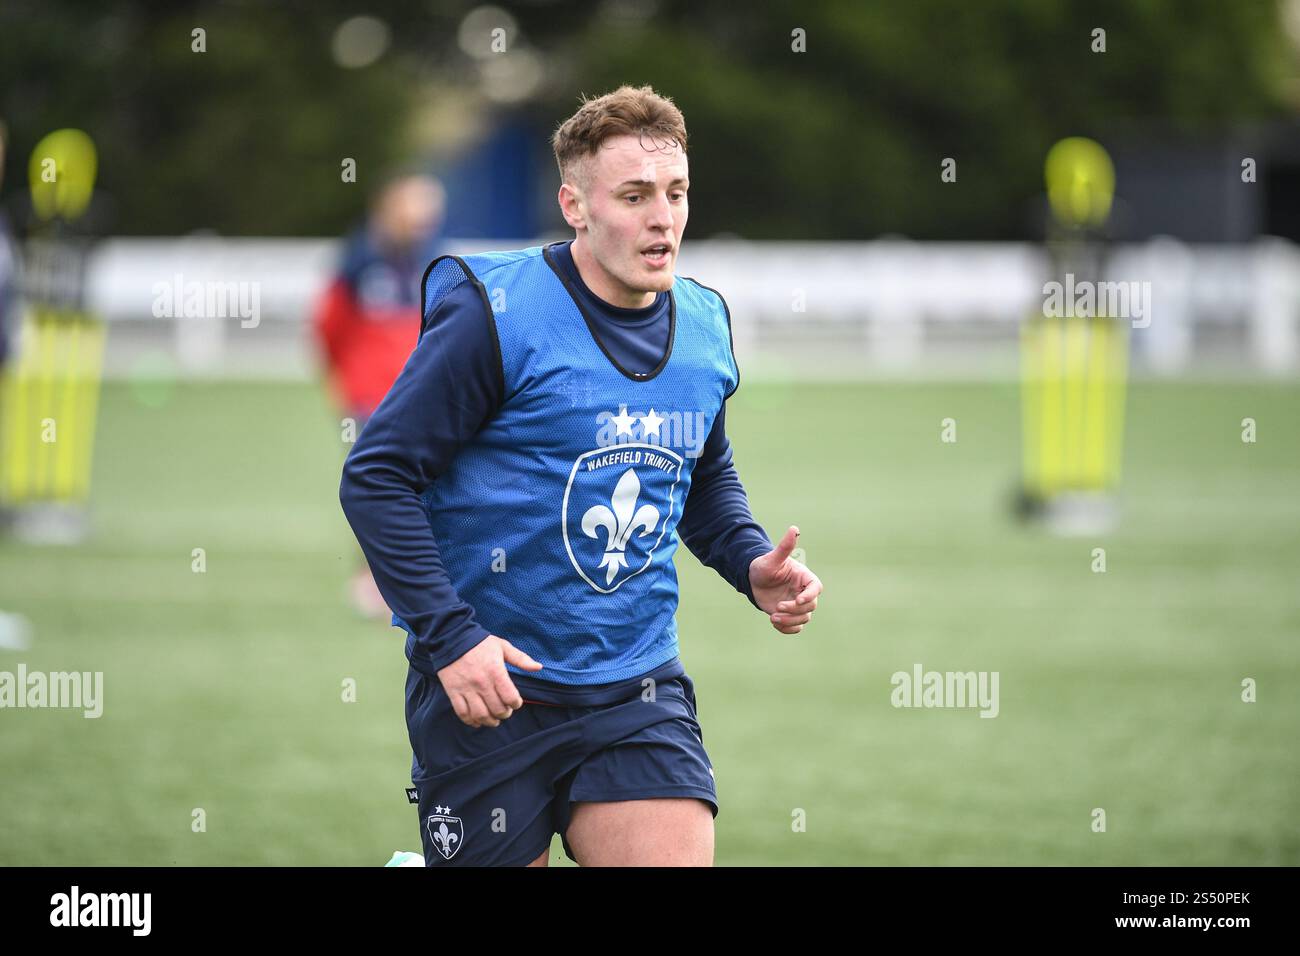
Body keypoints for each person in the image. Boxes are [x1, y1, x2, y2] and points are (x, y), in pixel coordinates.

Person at [339, 85, 822, 867]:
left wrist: (747, 560)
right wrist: (453, 639)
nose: (662, 217)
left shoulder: (704, 324)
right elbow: (378, 476)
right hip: (491, 692)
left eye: (675, 193)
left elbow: (702, 473)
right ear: (575, 205)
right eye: (633, 196)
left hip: (637, 691)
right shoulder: (494, 314)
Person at [314, 172, 446, 615]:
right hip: (370, 398)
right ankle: (369, 577)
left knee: (430, 487)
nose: (425, 216)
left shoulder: (432, 261)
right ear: (390, 207)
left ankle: (418, 580)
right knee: (379, 487)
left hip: (421, 395)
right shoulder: (358, 262)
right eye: (416, 205)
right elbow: (327, 326)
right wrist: (340, 382)